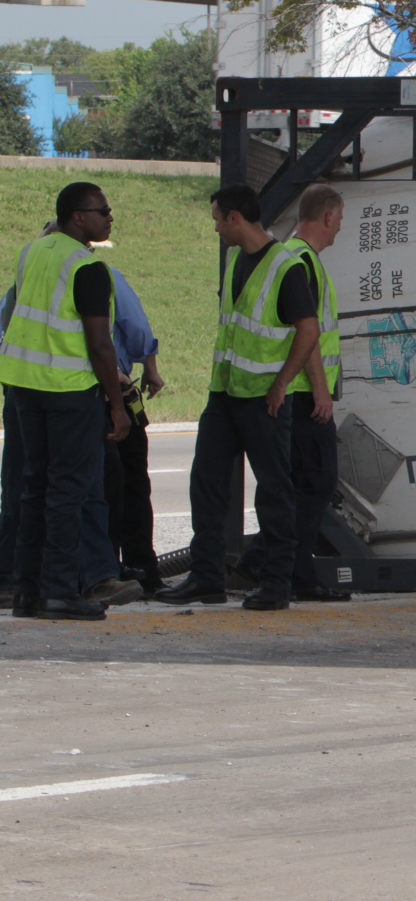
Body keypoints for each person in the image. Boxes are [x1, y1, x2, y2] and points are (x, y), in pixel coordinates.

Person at [154, 185, 318, 611]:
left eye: (216, 219)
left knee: (273, 490)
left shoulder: (286, 266)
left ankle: (276, 583)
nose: (214, 227)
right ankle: (207, 578)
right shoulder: (233, 260)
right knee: (205, 484)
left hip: (264, 400)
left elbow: (309, 330)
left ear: (234, 218)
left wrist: (282, 383)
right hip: (224, 394)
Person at [0, 183, 132, 621]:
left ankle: (27, 591)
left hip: (22, 384)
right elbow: (99, 344)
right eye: (103, 211)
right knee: (67, 491)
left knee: (32, 487)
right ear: (78, 216)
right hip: (68, 390)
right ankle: (59, 592)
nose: (110, 218)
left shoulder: (31, 252)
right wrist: (116, 405)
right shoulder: (87, 268)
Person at [238, 184, 348, 601]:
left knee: (303, 483)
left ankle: (298, 573)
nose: (340, 228)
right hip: (303, 395)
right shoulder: (300, 261)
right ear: (328, 218)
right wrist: (321, 390)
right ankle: (265, 554)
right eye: (340, 219)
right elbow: (310, 335)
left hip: (299, 393)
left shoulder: (297, 259)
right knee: (317, 484)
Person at [104, 262, 166, 595]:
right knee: (131, 485)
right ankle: (141, 566)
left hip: (57, 397)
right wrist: (151, 368)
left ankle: (103, 567)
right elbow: (138, 328)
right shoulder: (105, 275)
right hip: (116, 389)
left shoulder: (29, 279)